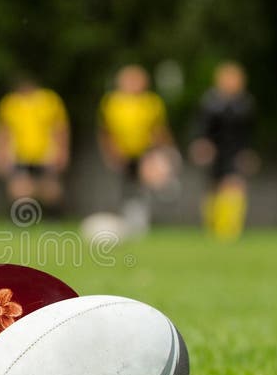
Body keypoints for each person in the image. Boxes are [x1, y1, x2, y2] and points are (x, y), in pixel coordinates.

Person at [97, 64, 177, 234]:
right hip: (123, 153)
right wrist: (110, 152)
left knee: (145, 184)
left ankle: (145, 215)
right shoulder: (112, 102)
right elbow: (106, 131)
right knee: (128, 186)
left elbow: (160, 129)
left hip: (145, 151)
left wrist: (167, 150)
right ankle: (129, 221)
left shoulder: (152, 102)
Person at [189, 61, 257, 241]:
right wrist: (201, 145)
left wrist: (248, 152)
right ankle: (212, 226)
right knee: (214, 188)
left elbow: (249, 133)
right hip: (214, 151)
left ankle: (229, 230)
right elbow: (201, 128)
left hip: (235, 151)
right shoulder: (210, 102)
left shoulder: (245, 104)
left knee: (235, 186)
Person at [0, 77, 70, 214]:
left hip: (45, 154)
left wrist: (62, 151)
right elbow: (3, 131)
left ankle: (53, 220)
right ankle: (25, 221)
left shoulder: (50, 101)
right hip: (20, 154)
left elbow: (60, 129)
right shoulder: (10, 103)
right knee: (20, 190)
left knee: (50, 190)